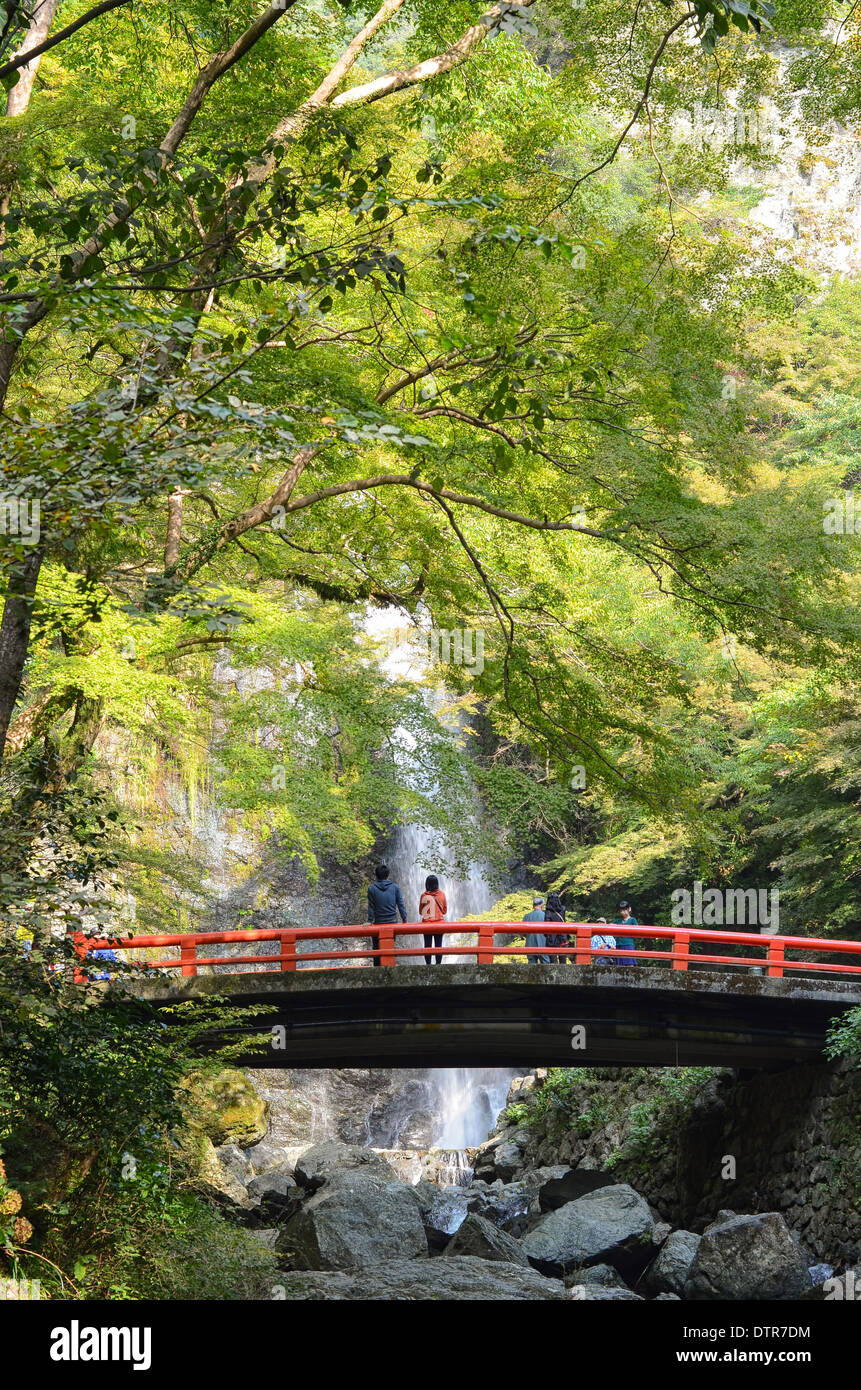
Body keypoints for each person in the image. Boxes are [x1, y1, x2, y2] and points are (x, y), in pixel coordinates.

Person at [367, 864, 407, 968]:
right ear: (388, 875)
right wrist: (404, 919)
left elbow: (371, 907)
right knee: (390, 947)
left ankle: (377, 970)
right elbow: (400, 904)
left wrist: (369, 921)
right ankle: (389, 970)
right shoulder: (395, 887)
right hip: (392, 923)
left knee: (376, 949)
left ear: (376, 875)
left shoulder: (371, 889)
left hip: (378, 924)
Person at [419, 873, 447, 965]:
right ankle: (438, 965)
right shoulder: (442, 894)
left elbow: (421, 912)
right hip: (439, 924)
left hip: (427, 925)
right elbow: (444, 911)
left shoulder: (424, 896)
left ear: (426, 884)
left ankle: (428, 965)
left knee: (427, 946)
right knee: (438, 946)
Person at [522, 895, 550, 964]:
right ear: (541, 906)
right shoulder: (545, 915)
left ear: (533, 906)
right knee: (546, 964)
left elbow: (523, 933)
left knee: (531, 965)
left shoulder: (526, 916)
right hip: (542, 944)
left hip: (530, 944)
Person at [612, 900, 639, 966]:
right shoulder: (618, 921)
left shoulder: (632, 920)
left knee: (630, 963)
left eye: (624, 910)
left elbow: (637, 931)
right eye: (621, 911)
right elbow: (610, 925)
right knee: (619, 965)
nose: (622, 912)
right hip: (618, 944)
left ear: (629, 909)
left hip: (628, 944)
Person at [544, 891, 568, 961]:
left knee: (553, 961)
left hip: (552, 939)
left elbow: (545, 927)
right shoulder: (563, 909)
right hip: (563, 938)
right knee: (563, 961)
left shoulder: (548, 912)